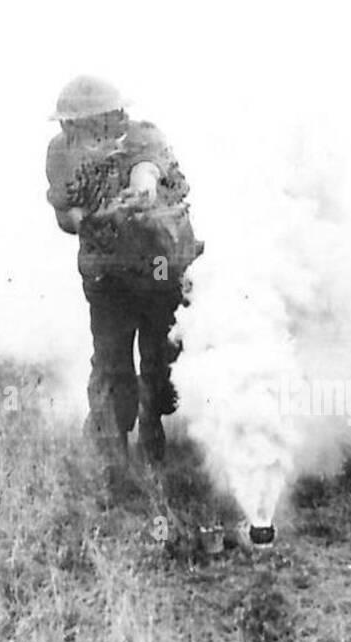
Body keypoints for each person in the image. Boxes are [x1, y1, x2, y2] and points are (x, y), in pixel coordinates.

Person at [44, 75, 201, 465]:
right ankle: (110, 459)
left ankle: (152, 435)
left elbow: (147, 171)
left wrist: (142, 192)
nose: (77, 131)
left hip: (160, 265)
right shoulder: (60, 152)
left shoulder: (144, 136)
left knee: (158, 358)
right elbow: (64, 211)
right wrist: (91, 220)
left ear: (111, 118)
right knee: (111, 360)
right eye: (72, 124)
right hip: (107, 269)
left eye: (87, 122)